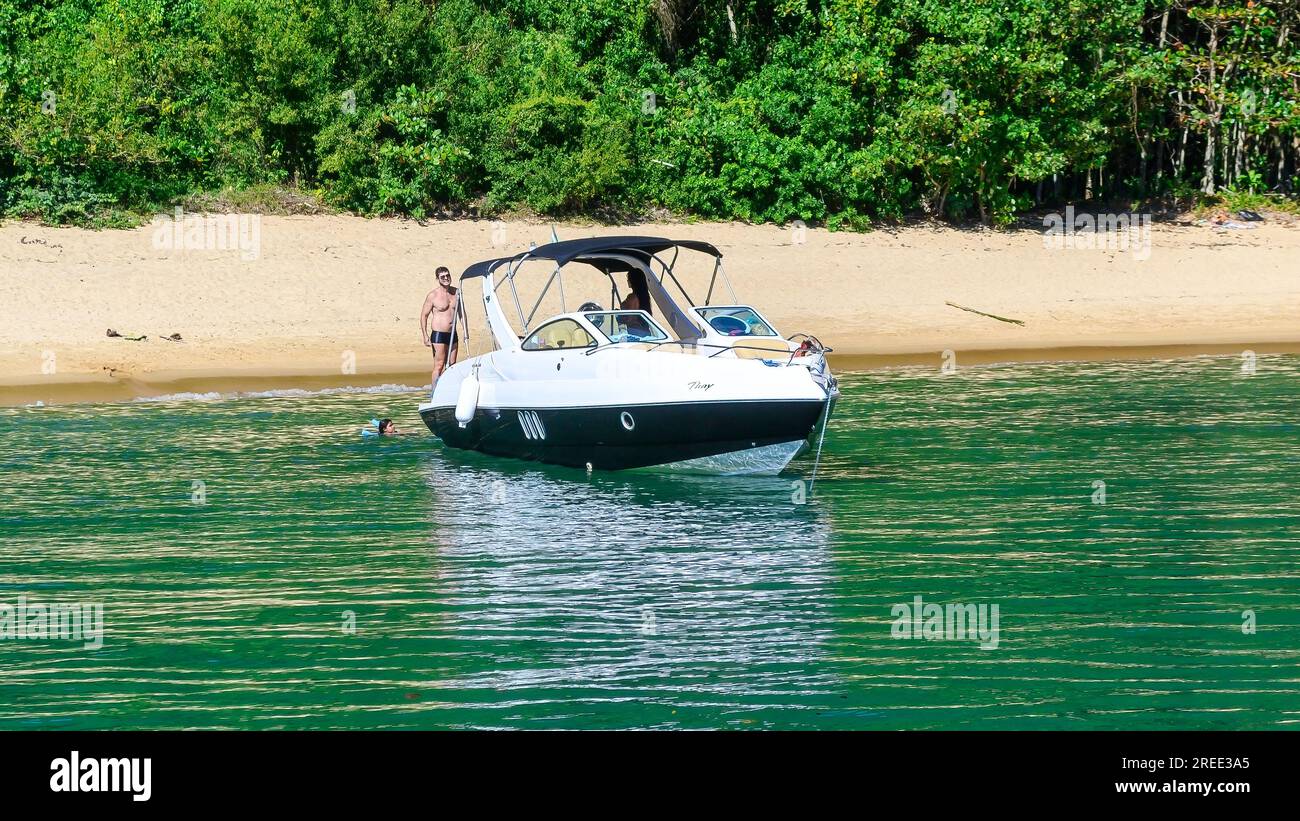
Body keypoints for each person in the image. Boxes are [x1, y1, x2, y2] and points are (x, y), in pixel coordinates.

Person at [420, 266, 459, 393]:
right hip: (438, 334)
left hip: (453, 334)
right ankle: (435, 393)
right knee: (439, 364)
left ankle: (447, 391)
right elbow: (424, 315)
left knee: (452, 365)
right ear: (438, 279)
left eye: (448, 275)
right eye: (443, 277)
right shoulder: (433, 295)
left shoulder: (456, 293)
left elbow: (461, 313)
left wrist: (466, 333)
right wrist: (425, 335)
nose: (446, 278)